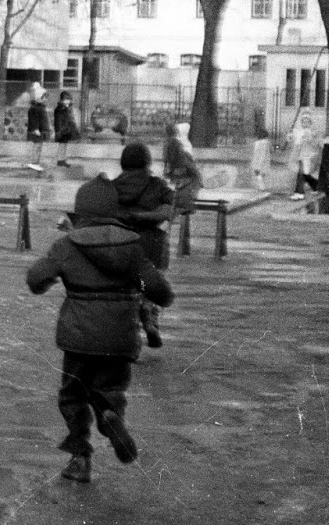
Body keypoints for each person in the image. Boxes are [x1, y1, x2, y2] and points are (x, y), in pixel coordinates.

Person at [26, 175, 174, 484]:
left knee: (73, 397)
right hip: (120, 336)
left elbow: (36, 280)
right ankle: (111, 418)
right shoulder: (131, 247)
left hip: (78, 337)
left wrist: (56, 274)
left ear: (79, 215)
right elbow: (160, 291)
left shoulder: (67, 245)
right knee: (110, 390)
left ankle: (80, 458)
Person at [110, 142, 175, 350]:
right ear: (147, 161)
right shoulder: (158, 186)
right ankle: (149, 313)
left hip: (123, 242)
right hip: (153, 244)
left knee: (125, 285)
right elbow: (168, 212)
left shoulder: (112, 186)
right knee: (150, 283)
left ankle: (130, 330)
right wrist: (145, 216)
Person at [163, 122, 202, 217]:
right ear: (175, 131)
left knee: (193, 178)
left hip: (174, 172)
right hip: (182, 172)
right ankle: (188, 202)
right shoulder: (176, 143)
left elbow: (168, 160)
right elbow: (182, 159)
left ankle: (185, 199)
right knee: (197, 177)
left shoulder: (167, 143)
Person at [286, 110, 322, 200]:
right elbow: (291, 139)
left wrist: (310, 139)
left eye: (307, 122)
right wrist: (290, 137)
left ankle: (300, 193)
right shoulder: (298, 131)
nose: (305, 123)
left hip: (310, 156)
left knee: (302, 173)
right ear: (301, 122)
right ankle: (315, 185)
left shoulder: (314, 132)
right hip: (299, 156)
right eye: (303, 121)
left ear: (310, 122)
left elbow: (318, 144)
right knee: (302, 173)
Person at [25, 86, 50, 172]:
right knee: (37, 147)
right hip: (36, 131)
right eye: (44, 98)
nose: (45, 99)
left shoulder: (40, 107)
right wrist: (36, 129)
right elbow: (33, 120)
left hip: (39, 131)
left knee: (38, 147)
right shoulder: (35, 108)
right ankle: (34, 163)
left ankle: (35, 162)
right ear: (39, 98)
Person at [53, 91, 80, 167]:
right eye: (65, 99)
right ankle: (60, 160)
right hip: (62, 130)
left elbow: (70, 119)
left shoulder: (67, 108)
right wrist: (58, 130)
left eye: (68, 99)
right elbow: (57, 121)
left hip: (66, 130)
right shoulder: (59, 109)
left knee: (64, 145)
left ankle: (62, 160)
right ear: (62, 100)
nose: (67, 101)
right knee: (62, 145)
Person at [250, 120, 272, 192]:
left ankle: (262, 187)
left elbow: (257, 153)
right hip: (265, 160)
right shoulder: (267, 143)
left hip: (258, 160)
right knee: (261, 175)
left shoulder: (258, 143)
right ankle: (262, 187)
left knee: (258, 173)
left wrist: (257, 162)